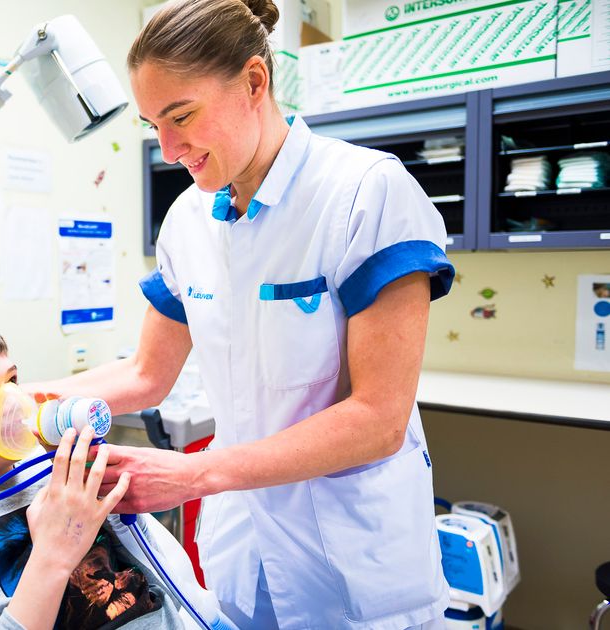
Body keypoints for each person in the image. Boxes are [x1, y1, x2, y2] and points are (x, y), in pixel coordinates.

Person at [23, 0, 456, 627]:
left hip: (353, 548)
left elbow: (378, 419)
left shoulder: (364, 192)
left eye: (182, 116)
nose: (169, 148)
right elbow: (147, 374)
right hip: (243, 547)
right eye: (153, 125)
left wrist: (194, 474)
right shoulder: (187, 220)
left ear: (254, 82)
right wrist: (19, 401)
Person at [0, 318, 191, 629]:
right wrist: (53, 556)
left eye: (11, 381)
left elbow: (161, 585)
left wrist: (107, 493)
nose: (12, 401)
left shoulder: (55, 474)